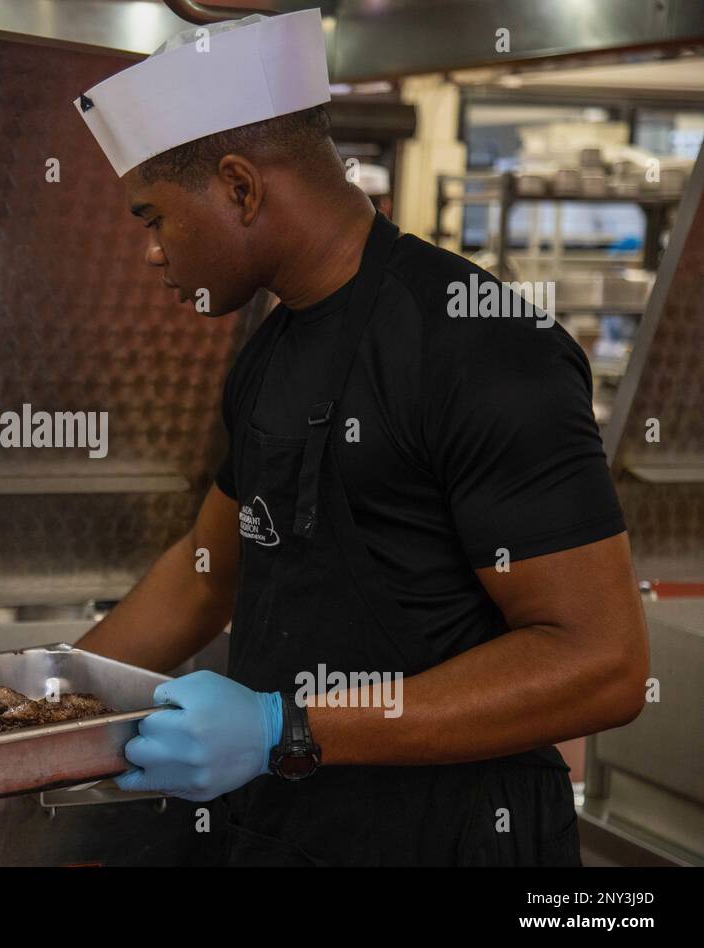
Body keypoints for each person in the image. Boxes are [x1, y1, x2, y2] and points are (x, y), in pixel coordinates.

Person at [71, 9, 648, 865]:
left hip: (454, 840)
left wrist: (285, 726)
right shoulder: (271, 348)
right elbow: (204, 576)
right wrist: (42, 703)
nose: (152, 253)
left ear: (240, 186)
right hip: (293, 832)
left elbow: (601, 663)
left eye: (153, 218)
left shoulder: (480, 346)